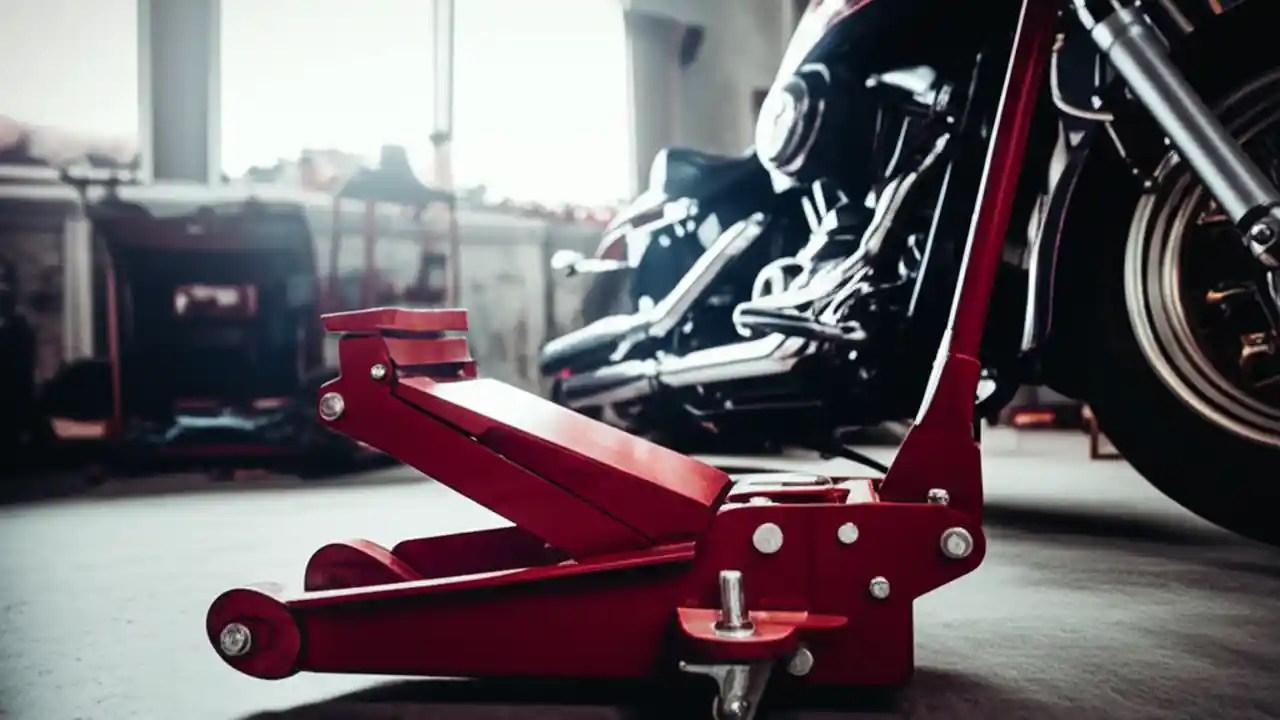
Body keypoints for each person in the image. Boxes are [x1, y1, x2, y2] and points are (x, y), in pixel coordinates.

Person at [0, 260, 41, 460]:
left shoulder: (19, 327)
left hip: (11, 408)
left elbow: (23, 376)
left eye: (4, 280)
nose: (2, 287)